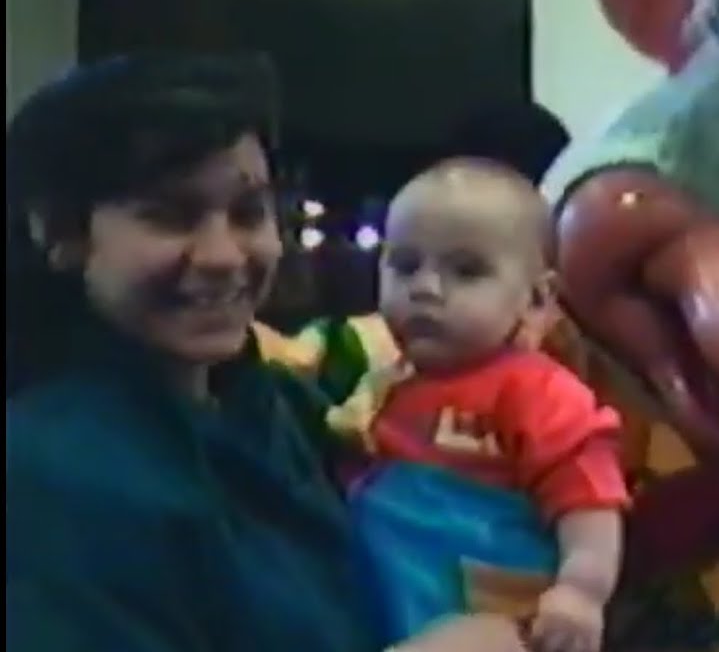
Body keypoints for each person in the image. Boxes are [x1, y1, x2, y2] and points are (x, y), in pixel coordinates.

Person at [5, 52, 524, 652]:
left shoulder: (281, 407)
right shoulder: (47, 475)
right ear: (60, 234)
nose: (224, 254)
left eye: (249, 212)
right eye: (171, 215)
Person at [327, 158, 629, 652]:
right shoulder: (380, 381)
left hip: (488, 612)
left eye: (466, 271)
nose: (425, 289)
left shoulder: (537, 391)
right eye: (404, 265)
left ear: (536, 299)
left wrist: (580, 591)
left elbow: (590, 499)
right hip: (386, 598)